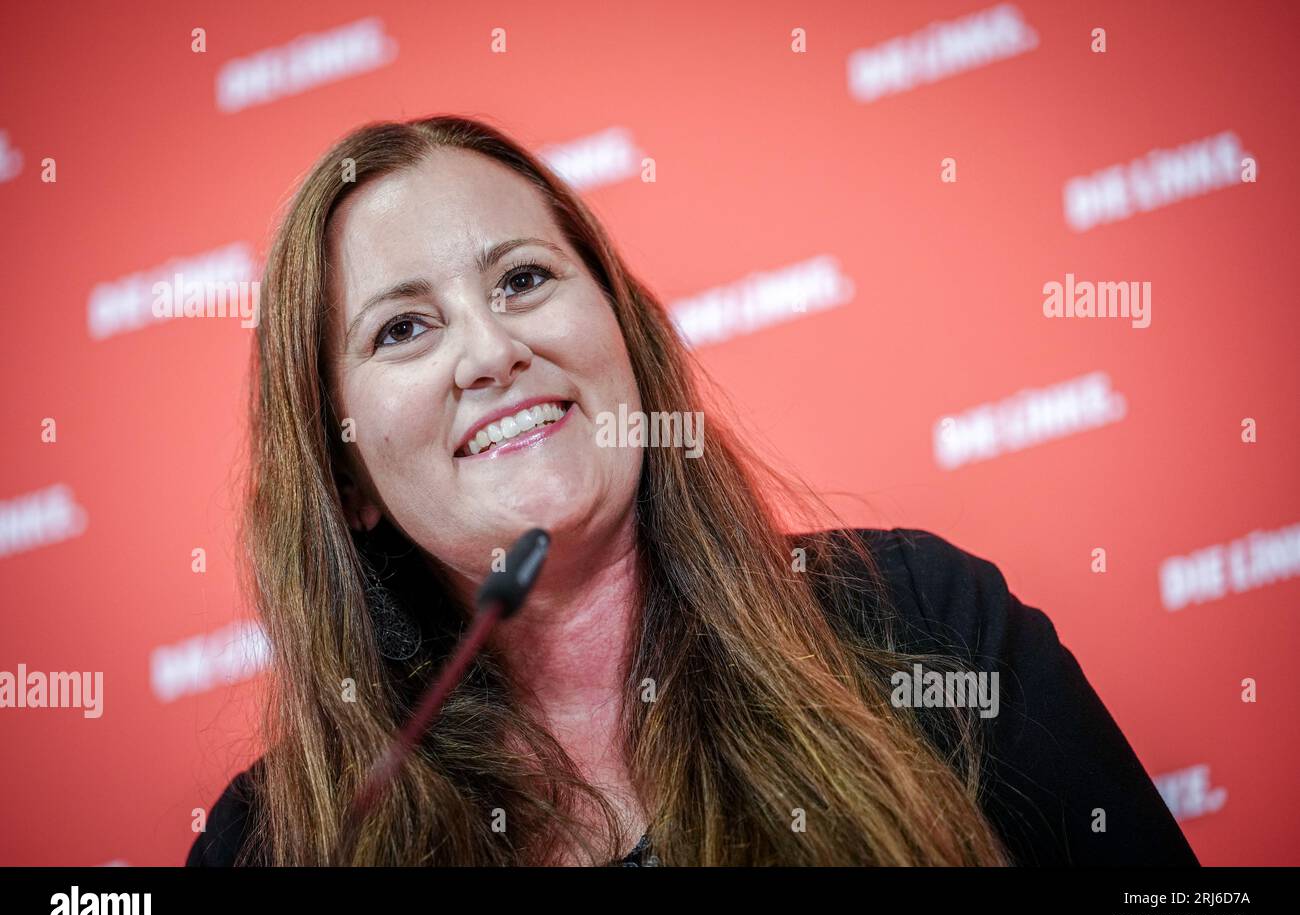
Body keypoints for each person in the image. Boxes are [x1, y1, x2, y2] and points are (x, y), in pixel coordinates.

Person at [188, 114, 1198, 867]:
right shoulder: (278, 842)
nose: (493, 350)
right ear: (348, 472)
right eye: (402, 328)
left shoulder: (924, 616)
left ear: (623, 334)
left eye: (524, 279)